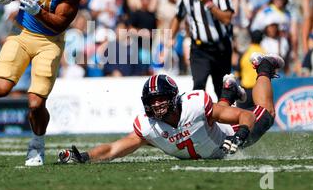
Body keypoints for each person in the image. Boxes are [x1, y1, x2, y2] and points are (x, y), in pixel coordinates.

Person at [0, 0, 92, 167]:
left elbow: (60, 23)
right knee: (0, 88)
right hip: (21, 31)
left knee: (36, 103)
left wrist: (38, 11)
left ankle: (37, 143)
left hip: (49, 41)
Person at [58, 53, 284, 163]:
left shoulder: (193, 105)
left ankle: (263, 67)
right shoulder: (148, 127)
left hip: (229, 136)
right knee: (210, 118)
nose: (157, 104)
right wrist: (84, 157)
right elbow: (113, 149)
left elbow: (245, 116)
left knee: (266, 114)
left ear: (174, 98)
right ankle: (228, 91)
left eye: (161, 98)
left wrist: (241, 135)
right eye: (152, 100)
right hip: (211, 137)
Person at [170, 0, 234, 99]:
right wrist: (170, 38)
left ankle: (225, 118)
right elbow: (177, 17)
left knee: (221, 88)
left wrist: (208, 3)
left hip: (220, 48)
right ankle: (200, 119)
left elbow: (227, 18)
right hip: (200, 50)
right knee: (198, 86)